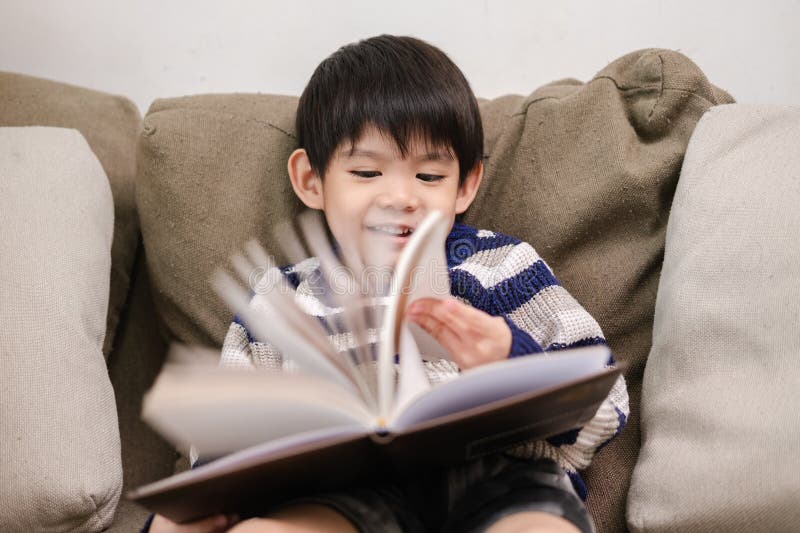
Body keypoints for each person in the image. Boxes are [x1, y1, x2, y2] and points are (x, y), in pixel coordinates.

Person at [146, 34, 628, 533]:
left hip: (501, 478)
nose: (400, 197)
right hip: (340, 495)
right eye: (366, 171)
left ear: (465, 184)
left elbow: (607, 403)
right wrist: (202, 503)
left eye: (428, 177)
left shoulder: (501, 268)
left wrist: (512, 358)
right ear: (311, 180)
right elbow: (221, 446)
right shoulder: (279, 301)